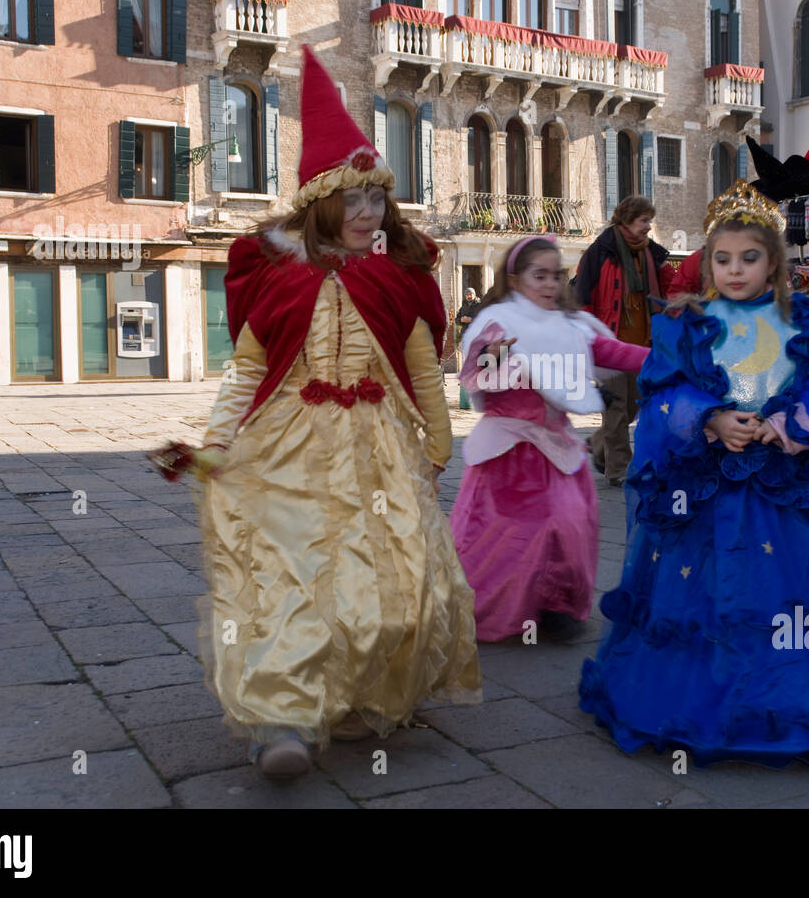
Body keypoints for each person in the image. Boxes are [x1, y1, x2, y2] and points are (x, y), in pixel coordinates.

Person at [579, 184, 809, 768]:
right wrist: (709, 419)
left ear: (774, 262)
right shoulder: (686, 325)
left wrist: (790, 422)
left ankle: (800, 703)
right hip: (707, 494)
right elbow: (661, 396)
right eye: (723, 259)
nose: (735, 270)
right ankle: (712, 701)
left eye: (749, 258)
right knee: (706, 601)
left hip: (789, 492)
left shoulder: (808, 322)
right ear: (708, 262)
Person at [189, 48, 481, 779]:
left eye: (375, 199)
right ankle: (281, 717)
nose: (365, 213)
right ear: (320, 205)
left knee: (393, 586)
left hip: (380, 446)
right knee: (291, 577)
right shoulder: (280, 276)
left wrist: (439, 445)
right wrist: (216, 443)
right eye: (350, 201)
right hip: (288, 446)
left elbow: (422, 367)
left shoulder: (399, 276)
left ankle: (359, 695)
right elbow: (249, 368)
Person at [450, 236, 648, 642]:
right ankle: (501, 610)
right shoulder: (500, 323)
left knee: (569, 523)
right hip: (508, 452)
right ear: (516, 279)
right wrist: (496, 356)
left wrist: (674, 356)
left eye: (555, 276)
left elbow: (617, 352)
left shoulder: (571, 326)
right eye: (538, 275)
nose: (549, 285)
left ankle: (554, 607)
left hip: (556, 450)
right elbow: (477, 377)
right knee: (510, 535)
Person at [571, 196, 675, 486]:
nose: (648, 227)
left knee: (633, 406)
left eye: (648, 220)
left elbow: (672, 288)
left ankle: (598, 442)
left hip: (643, 344)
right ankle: (620, 469)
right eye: (644, 220)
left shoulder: (652, 254)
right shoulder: (599, 252)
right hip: (609, 342)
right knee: (616, 407)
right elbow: (583, 296)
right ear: (627, 220)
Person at [454, 287, 480, 410]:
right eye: (467, 294)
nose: (469, 296)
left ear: (474, 295)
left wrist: (471, 320)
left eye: (470, 294)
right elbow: (456, 320)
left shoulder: (479, 305)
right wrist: (461, 320)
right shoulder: (463, 306)